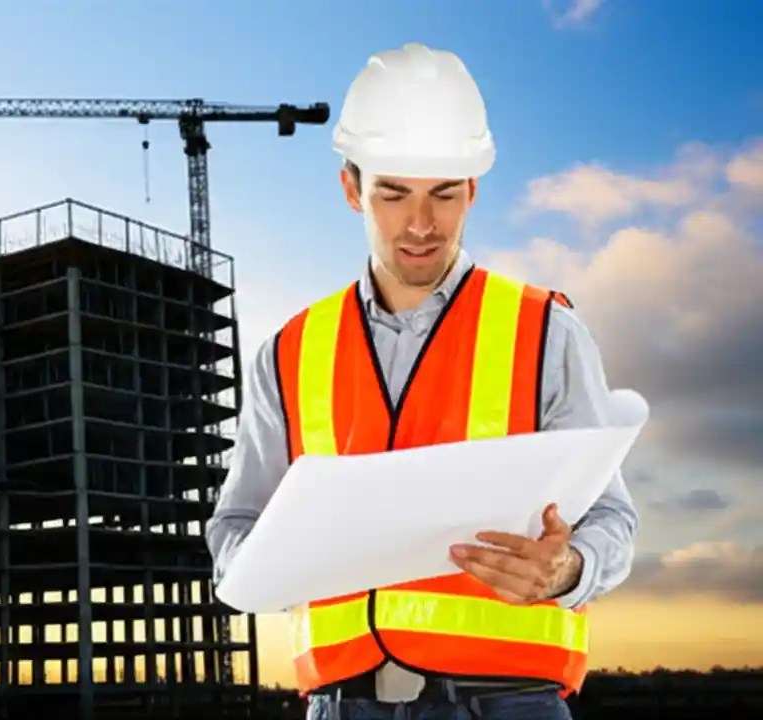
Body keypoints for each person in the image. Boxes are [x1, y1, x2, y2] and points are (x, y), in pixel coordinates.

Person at [206, 42, 639, 720]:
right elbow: (235, 528)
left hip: (508, 703)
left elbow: (612, 518)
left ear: (473, 188)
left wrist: (567, 569)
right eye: (393, 194)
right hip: (343, 705)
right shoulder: (289, 352)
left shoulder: (545, 332)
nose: (419, 224)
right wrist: (264, 568)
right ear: (351, 189)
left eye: (442, 194)